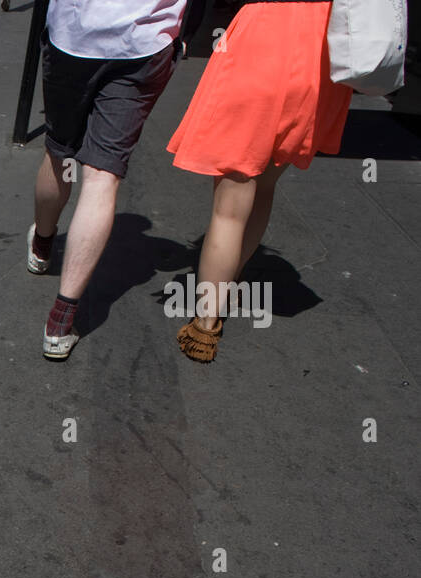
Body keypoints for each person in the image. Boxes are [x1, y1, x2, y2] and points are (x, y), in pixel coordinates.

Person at [168, 0, 353, 362]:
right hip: (320, 56)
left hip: (262, 44)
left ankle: (206, 326)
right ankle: (227, 282)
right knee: (265, 184)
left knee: (230, 205)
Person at [28, 0, 199, 360]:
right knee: (103, 175)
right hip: (144, 40)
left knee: (59, 152)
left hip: (73, 34)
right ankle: (59, 323)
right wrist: (188, 31)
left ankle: (43, 245)